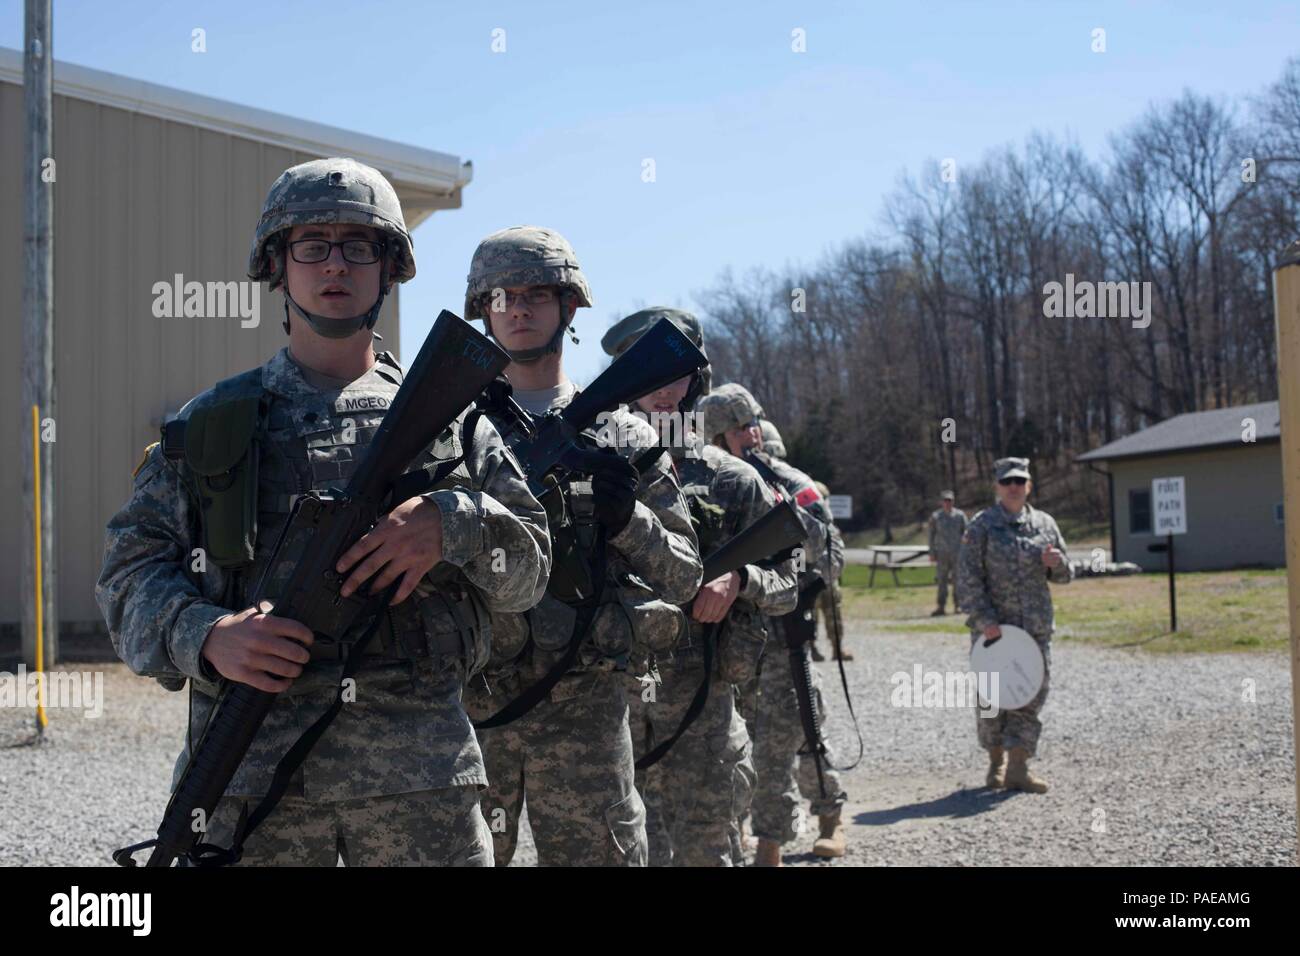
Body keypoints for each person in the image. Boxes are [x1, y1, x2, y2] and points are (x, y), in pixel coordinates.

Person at [96, 158, 550, 866]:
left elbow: (531, 572)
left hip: (423, 785)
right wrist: (207, 633)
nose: (334, 264)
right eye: (311, 245)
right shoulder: (214, 425)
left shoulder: (455, 421)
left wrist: (452, 523)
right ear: (278, 266)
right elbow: (127, 579)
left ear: (389, 267)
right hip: (255, 784)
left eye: (358, 246)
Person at [460, 227, 702, 866]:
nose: (518, 308)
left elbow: (686, 578)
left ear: (569, 306)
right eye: (502, 295)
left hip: (588, 703)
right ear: (482, 308)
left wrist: (628, 521)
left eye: (537, 293)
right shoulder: (451, 430)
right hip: (472, 699)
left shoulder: (622, 434)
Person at [602, 308, 799, 866]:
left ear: (698, 381)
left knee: (709, 850)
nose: (664, 390)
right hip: (607, 704)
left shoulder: (731, 479)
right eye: (648, 372)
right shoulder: (595, 469)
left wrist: (740, 581)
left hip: (702, 706)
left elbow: (789, 582)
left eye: (677, 373)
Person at [698, 383, 848, 865]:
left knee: (792, 738)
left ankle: (799, 830)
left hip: (785, 638)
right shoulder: (708, 485)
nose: (751, 433)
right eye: (738, 427)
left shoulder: (790, 481)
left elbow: (829, 559)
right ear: (714, 438)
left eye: (752, 423)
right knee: (736, 744)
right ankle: (743, 828)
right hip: (731, 641)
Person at [955, 457, 1071, 794]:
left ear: (1029, 485)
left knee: (1030, 693)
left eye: (1020, 481)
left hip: (1034, 630)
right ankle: (996, 762)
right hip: (994, 631)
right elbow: (967, 578)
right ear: (997, 486)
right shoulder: (982, 526)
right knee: (992, 698)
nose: (1014, 487)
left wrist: (1056, 564)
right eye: (1007, 482)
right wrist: (984, 619)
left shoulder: (1045, 525)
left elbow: (1066, 575)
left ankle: (1018, 765)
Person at [927, 490, 968, 616]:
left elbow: (966, 534)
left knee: (958, 580)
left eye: (949, 500)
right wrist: (932, 552)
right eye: (945, 500)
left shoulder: (960, 516)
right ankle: (941, 606)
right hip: (942, 554)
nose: (947, 503)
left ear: (953, 501)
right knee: (942, 581)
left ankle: (958, 605)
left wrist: (966, 551)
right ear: (941, 502)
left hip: (957, 553)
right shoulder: (936, 517)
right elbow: (931, 535)